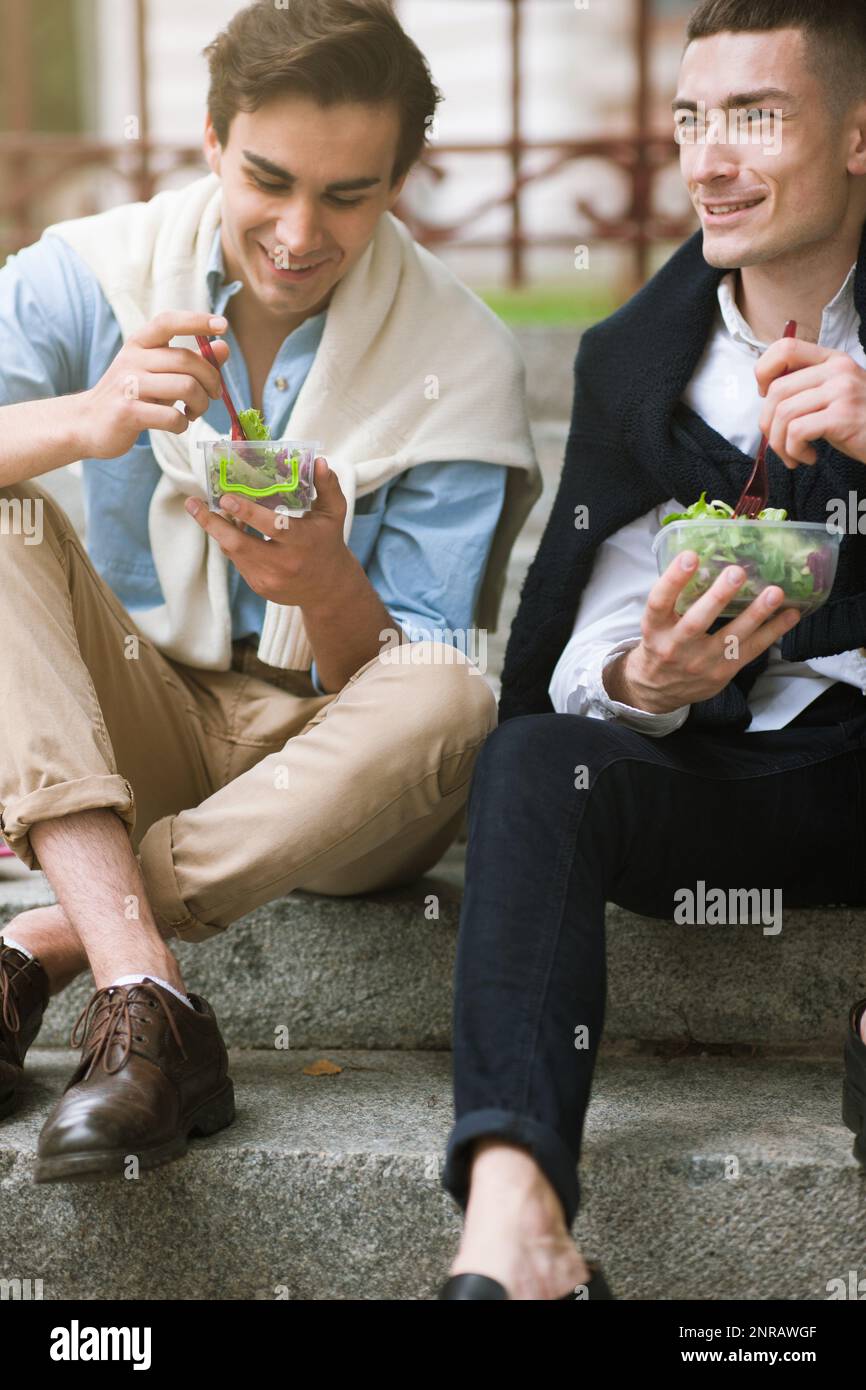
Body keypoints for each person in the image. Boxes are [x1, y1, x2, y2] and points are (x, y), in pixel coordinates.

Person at [0, 0, 541, 1181]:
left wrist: (324, 580)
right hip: (135, 719)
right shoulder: (87, 278)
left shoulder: (463, 360)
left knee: (452, 692)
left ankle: (49, 947)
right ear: (209, 139)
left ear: (401, 182)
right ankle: (149, 997)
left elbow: (411, 684)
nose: (299, 232)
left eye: (349, 194)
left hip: (335, 773)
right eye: (269, 179)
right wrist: (86, 421)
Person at [438, 0, 866, 1301]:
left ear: (857, 136)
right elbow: (595, 630)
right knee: (532, 765)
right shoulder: (639, 360)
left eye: (755, 115)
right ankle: (517, 1235)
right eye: (690, 118)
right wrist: (649, 682)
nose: (706, 161)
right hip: (759, 777)